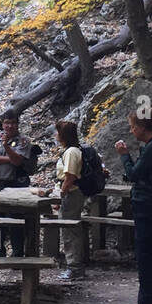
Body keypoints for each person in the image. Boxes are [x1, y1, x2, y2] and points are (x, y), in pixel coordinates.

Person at [115, 112, 152, 304]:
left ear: (142, 127)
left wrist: (124, 155)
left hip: (149, 207)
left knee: (147, 256)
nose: (131, 130)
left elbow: (135, 174)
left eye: (132, 126)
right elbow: (135, 174)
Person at [0, 113, 34, 256]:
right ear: (2, 124)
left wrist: (6, 146)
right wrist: (8, 158)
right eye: (6, 123)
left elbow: (18, 161)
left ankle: (17, 253)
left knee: (16, 220)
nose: (9, 126)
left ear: (17, 124)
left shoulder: (23, 141)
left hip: (16, 185)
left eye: (13, 122)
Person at [53, 120, 89, 279]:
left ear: (63, 135)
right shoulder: (72, 150)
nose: (55, 135)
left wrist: (61, 195)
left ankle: (74, 267)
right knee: (71, 229)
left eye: (57, 132)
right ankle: (74, 265)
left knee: (69, 230)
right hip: (72, 193)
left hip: (71, 193)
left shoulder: (71, 152)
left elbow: (70, 177)